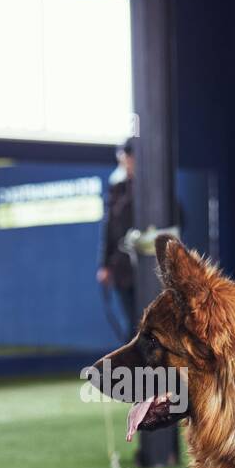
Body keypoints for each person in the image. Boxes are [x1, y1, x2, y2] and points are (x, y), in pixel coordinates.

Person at [96, 140, 138, 338]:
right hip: (122, 268)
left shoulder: (153, 188)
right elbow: (109, 228)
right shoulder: (116, 189)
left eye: (128, 159)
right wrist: (104, 265)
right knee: (132, 323)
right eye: (123, 160)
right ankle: (134, 366)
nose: (126, 164)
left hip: (147, 267)